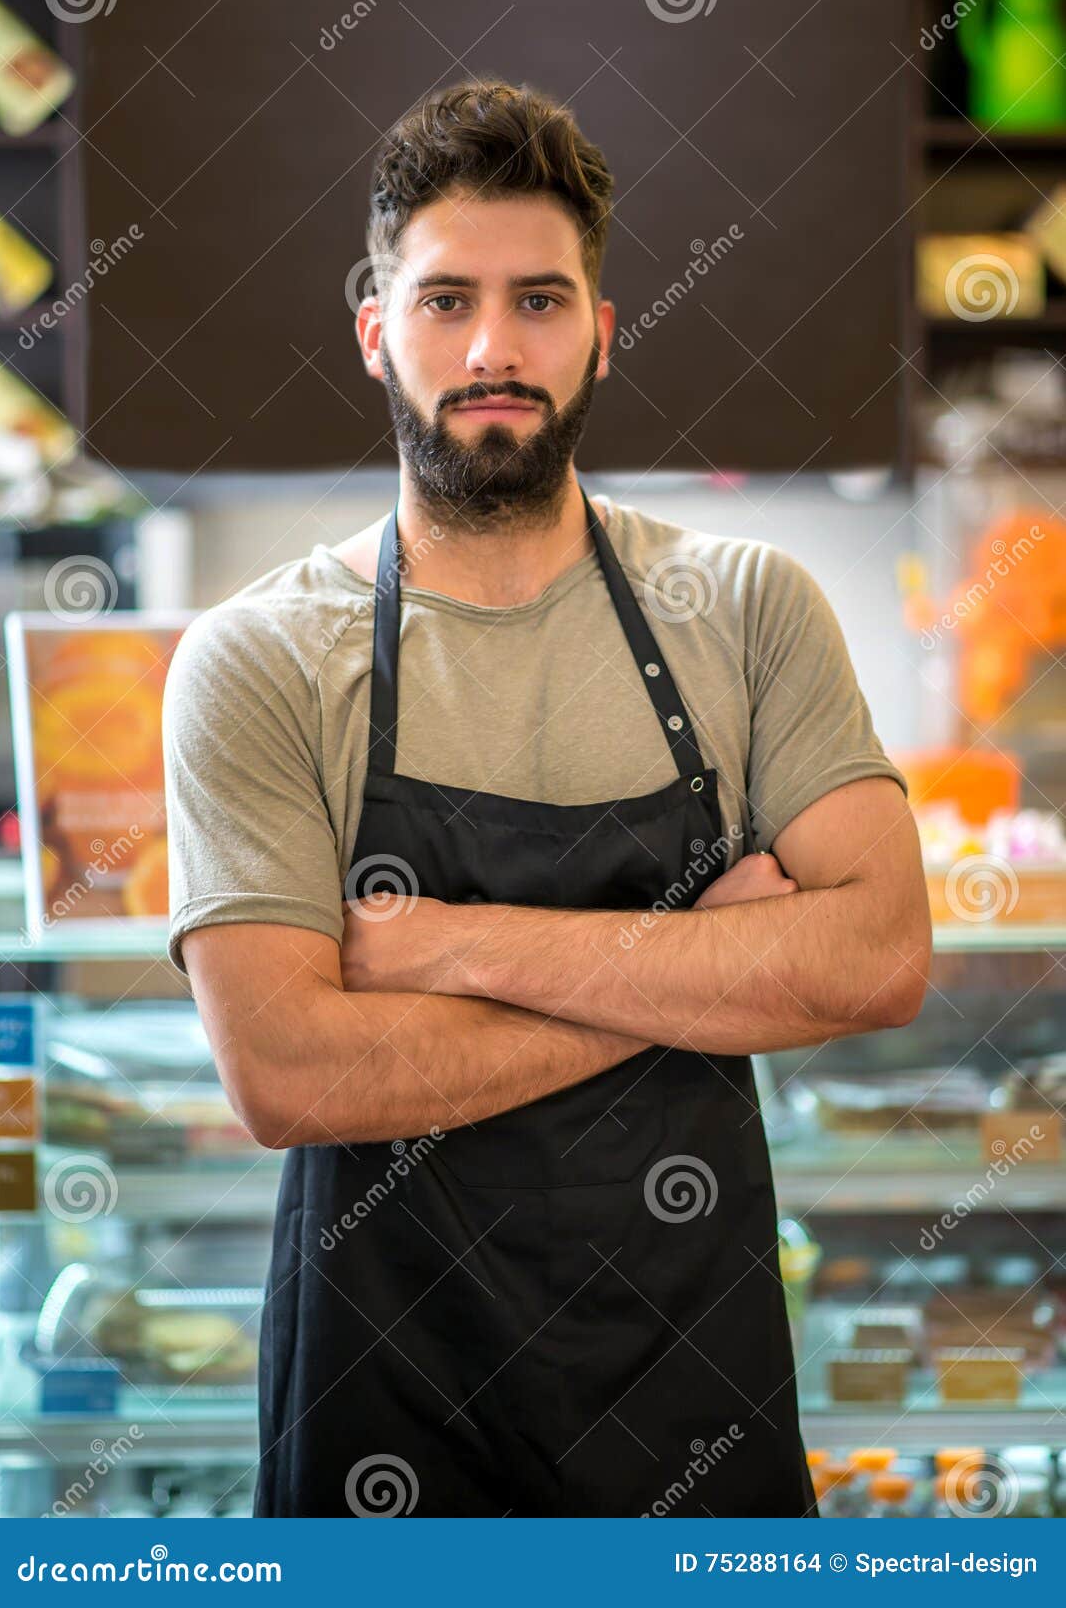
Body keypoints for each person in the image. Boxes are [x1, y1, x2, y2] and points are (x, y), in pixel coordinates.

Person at [162, 78, 931, 1519]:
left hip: (692, 1410)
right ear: (375, 332)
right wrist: (703, 966)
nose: (496, 345)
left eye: (541, 299)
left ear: (601, 333)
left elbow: (880, 957)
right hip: (384, 1426)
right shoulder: (257, 657)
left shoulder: (749, 610)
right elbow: (290, 1076)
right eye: (446, 299)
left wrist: (450, 944)